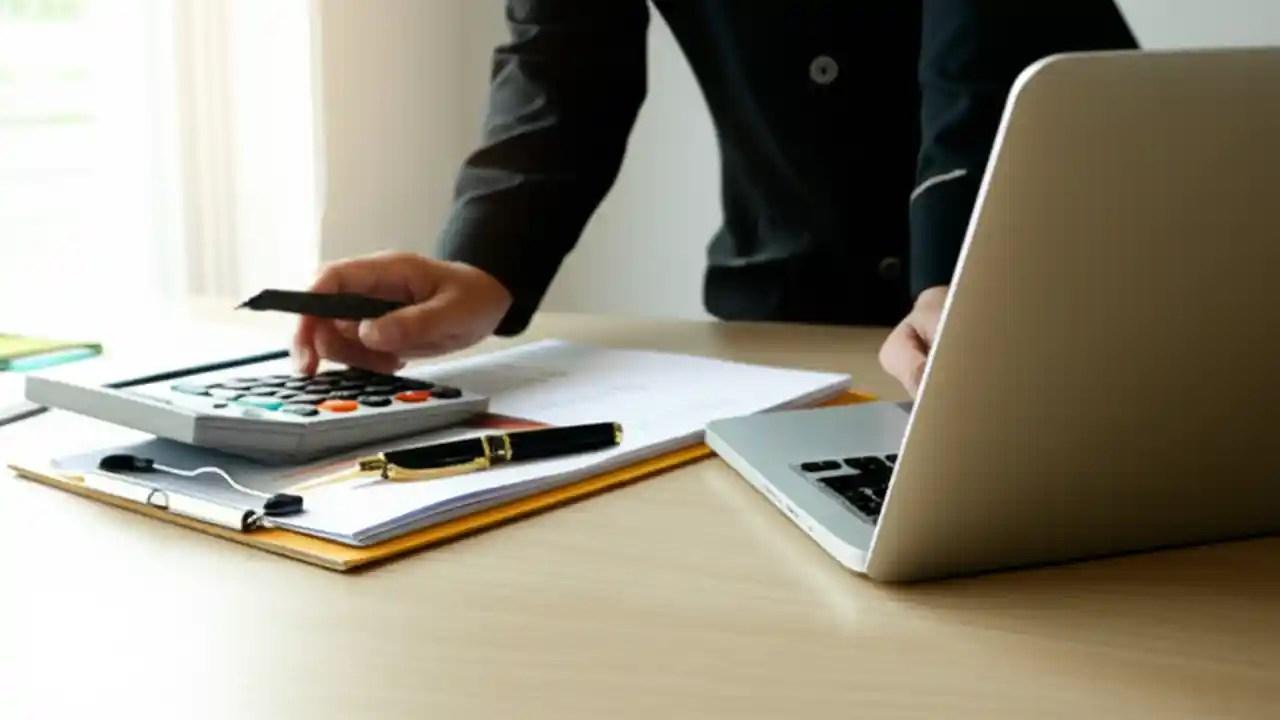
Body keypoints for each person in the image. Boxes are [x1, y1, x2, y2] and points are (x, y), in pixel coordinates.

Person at [292, 1, 1137, 396]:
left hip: (1080, 271)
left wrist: (960, 273)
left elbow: (978, 54)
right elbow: (563, 58)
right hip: (789, 315)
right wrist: (480, 262)